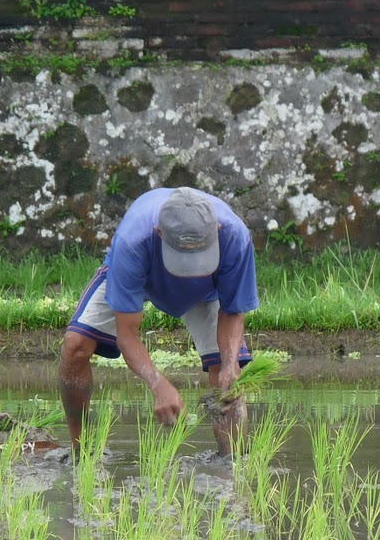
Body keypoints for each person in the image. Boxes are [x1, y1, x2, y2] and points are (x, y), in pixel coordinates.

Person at [60, 186, 257, 455]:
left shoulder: (236, 237)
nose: (189, 270)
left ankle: (232, 461)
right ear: (160, 233)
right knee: (75, 345)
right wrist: (157, 384)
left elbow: (233, 311)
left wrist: (230, 363)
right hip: (145, 271)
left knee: (225, 376)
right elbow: (127, 333)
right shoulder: (132, 241)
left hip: (208, 289)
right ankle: (80, 451)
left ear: (217, 230)